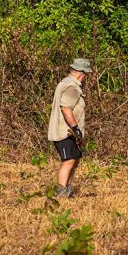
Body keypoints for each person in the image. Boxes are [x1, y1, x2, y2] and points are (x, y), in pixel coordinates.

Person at [45, 58, 91, 198]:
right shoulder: (72, 86)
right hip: (66, 131)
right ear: (81, 73)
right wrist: (75, 128)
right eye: (85, 74)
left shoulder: (65, 82)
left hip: (69, 131)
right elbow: (66, 109)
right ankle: (61, 193)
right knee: (69, 160)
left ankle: (68, 190)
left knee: (74, 159)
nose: (85, 77)